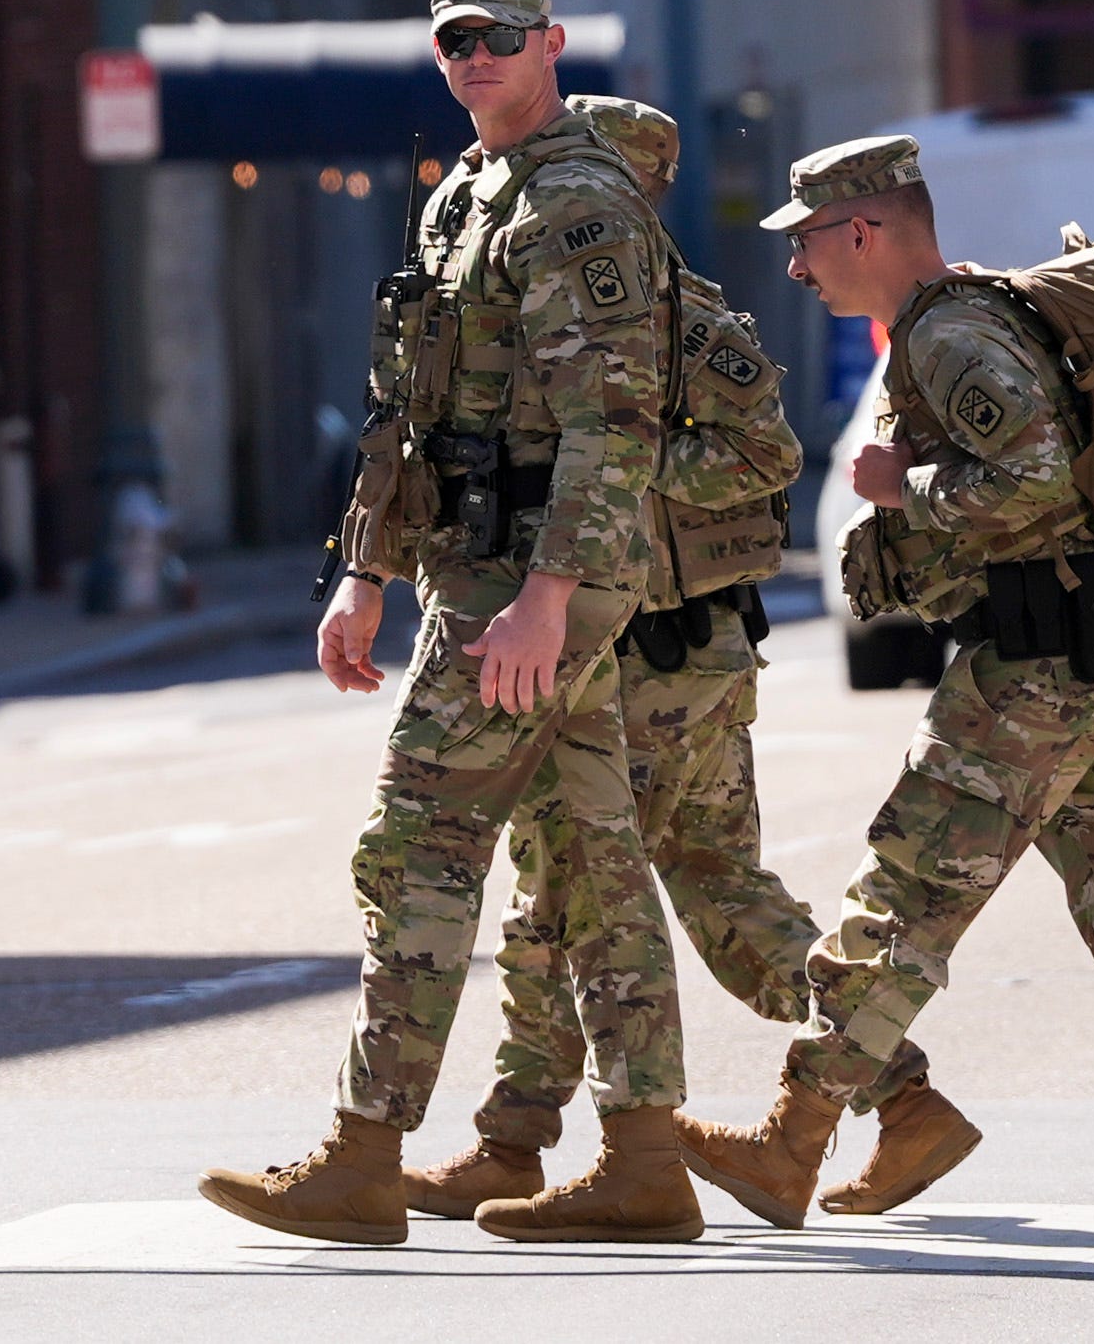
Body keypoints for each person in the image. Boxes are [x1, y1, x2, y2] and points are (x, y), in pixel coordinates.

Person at [685, 137, 1094, 1242]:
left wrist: (904, 487)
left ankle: (791, 1142)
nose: (796, 269)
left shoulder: (950, 332)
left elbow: (1030, 476)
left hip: (1028, 671)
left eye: (809, 243)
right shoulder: (955, 321)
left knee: (903, 892)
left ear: (864, 233)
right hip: (1085, 656)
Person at [198, 0, 696, 1247]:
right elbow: (407, 414)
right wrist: (362, 572)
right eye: (454, 38)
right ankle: (647, 1158)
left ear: (552, 40)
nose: (475, 54)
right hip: (476, 561)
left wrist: (546, 594)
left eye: (499, 33)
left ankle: (364, 1152)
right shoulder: (469, 190)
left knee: (420, 832)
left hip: (539, 570)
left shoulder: (574, 200)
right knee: (589, 853)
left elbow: (614, 420)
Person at [410, 101, 978, 1228]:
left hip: (669, 653)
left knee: (662, 895)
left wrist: (611, 466)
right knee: (578, 888)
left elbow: (761, 457)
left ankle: (895, 1094)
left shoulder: (677, 320)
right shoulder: (565, 313)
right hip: (634, 647)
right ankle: (514, 1140)